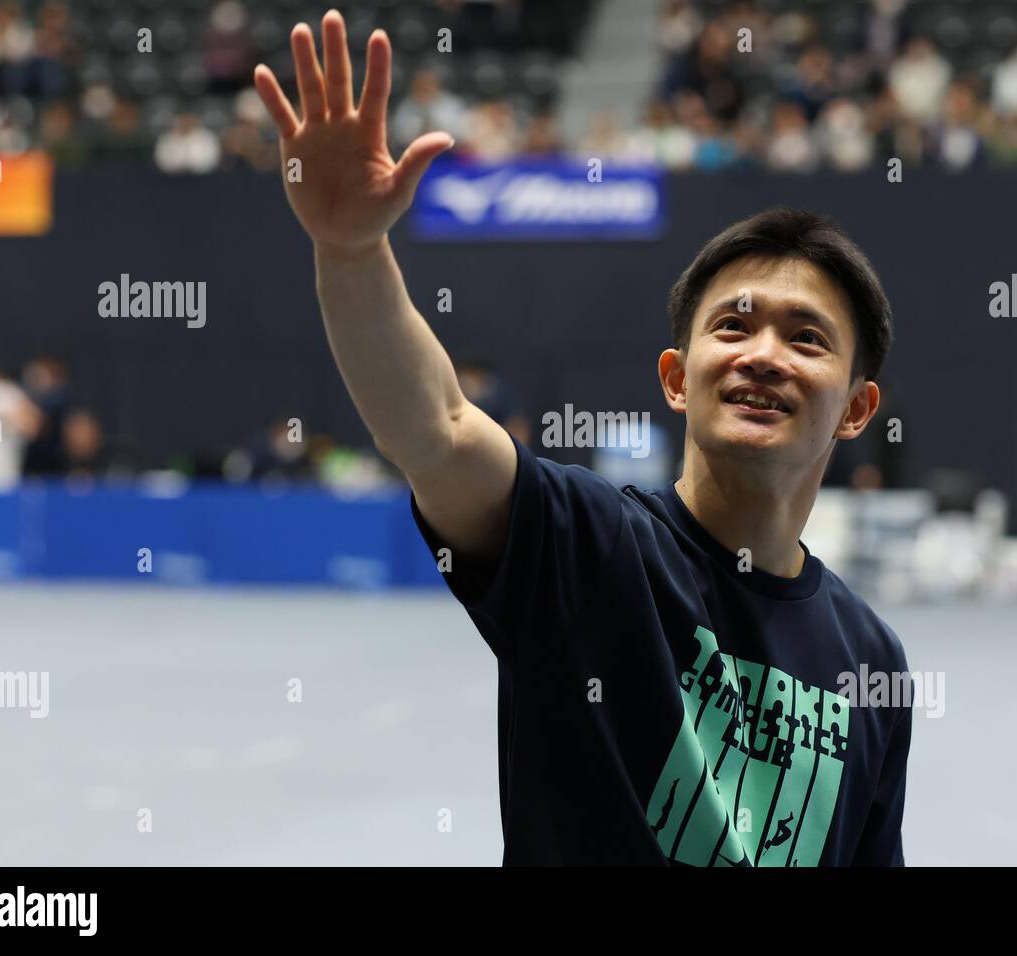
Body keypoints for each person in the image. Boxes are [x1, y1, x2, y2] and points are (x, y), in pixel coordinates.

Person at [253, 11, 910, 866]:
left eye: (807, 337)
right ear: (677, 377)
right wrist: (350, 252)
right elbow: (440, 430)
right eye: (734, 326)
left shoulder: (872, 660)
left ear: (858, 408)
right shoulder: (588, 546)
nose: (762, 356)